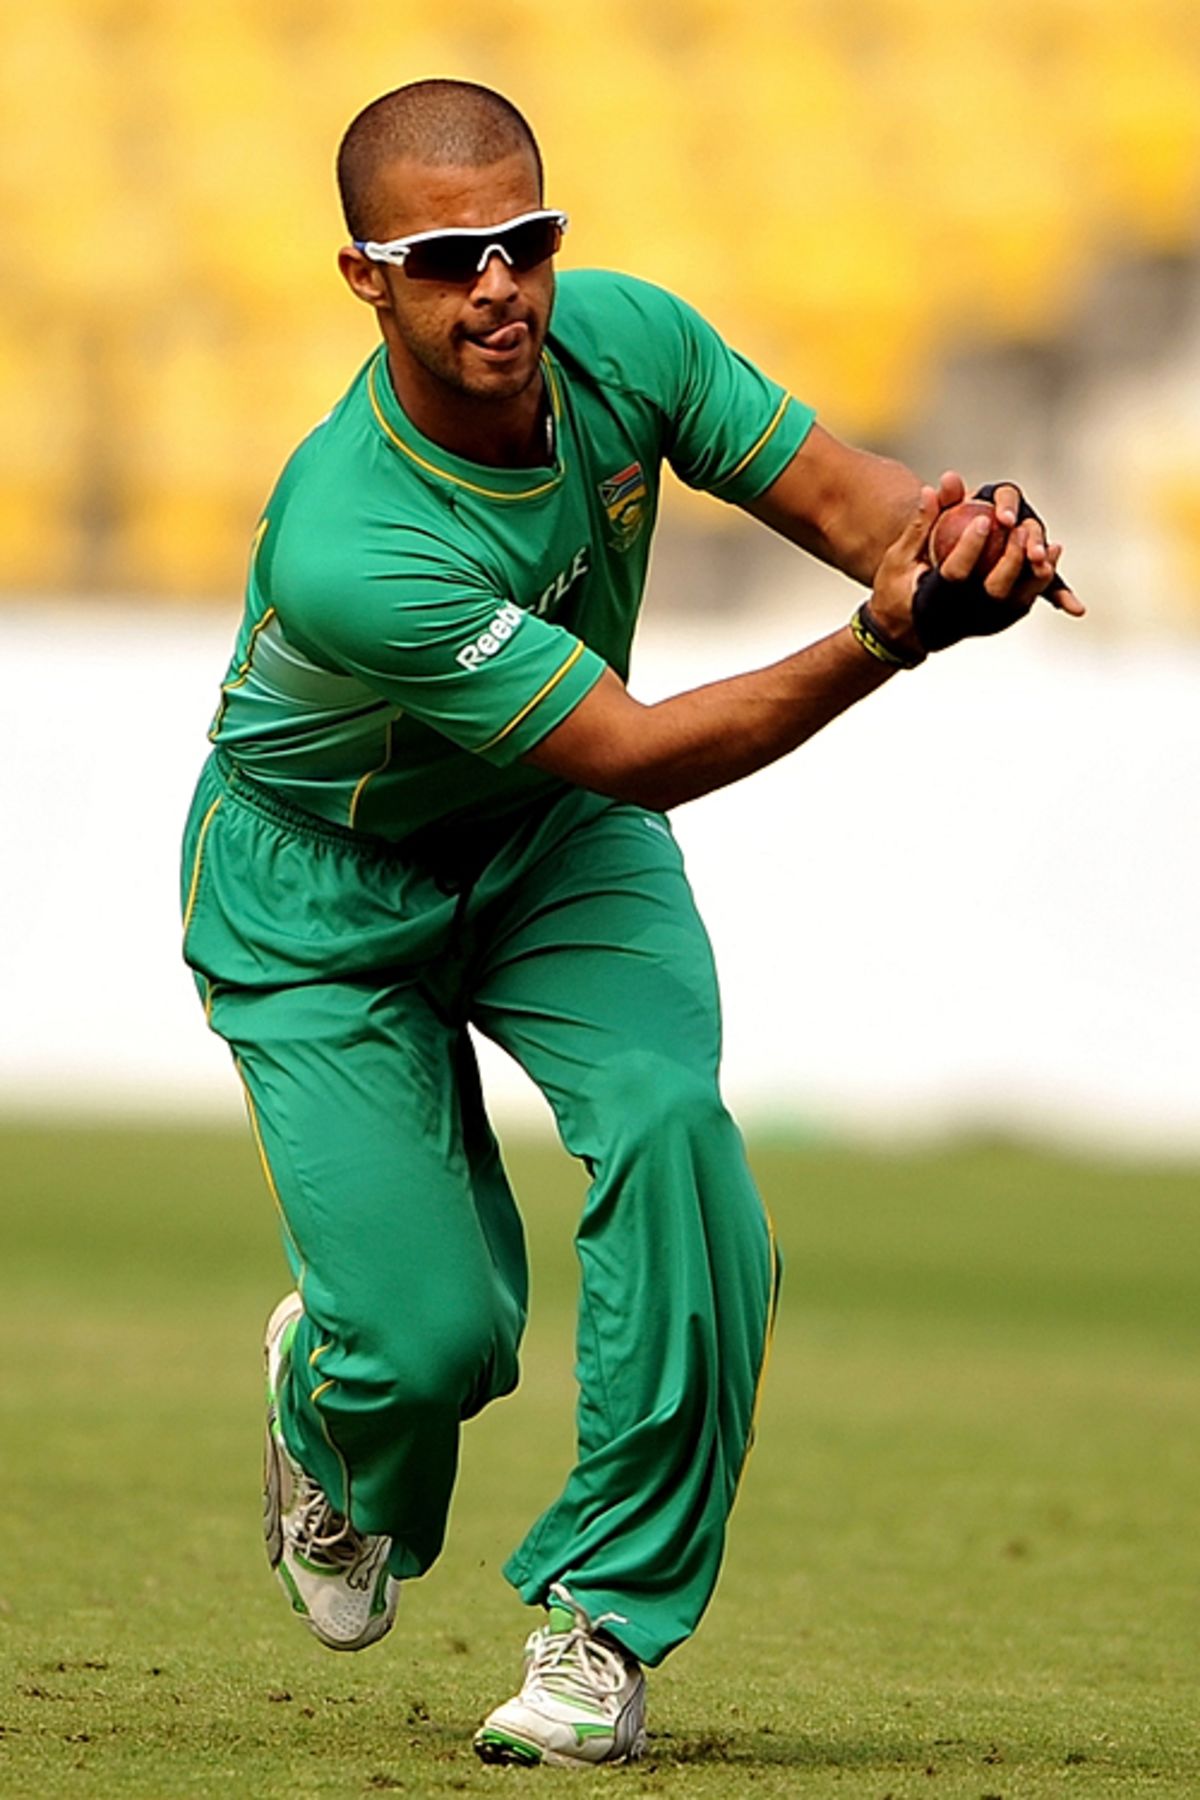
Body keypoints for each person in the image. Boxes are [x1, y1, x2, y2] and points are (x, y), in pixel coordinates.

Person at [180, 77, 1081, 1770]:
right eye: (446, 258)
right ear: (367, 277)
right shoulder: (349, 539)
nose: (498, 285)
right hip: (319, 889)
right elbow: (640, 753)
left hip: (550, 843)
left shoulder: (629, 342)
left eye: (524, 241)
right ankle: (334, 1398)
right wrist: (887, 641)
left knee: (677, 1136)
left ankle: (604, 1622)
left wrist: (959, 543)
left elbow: (858, 509)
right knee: (432, 1343)